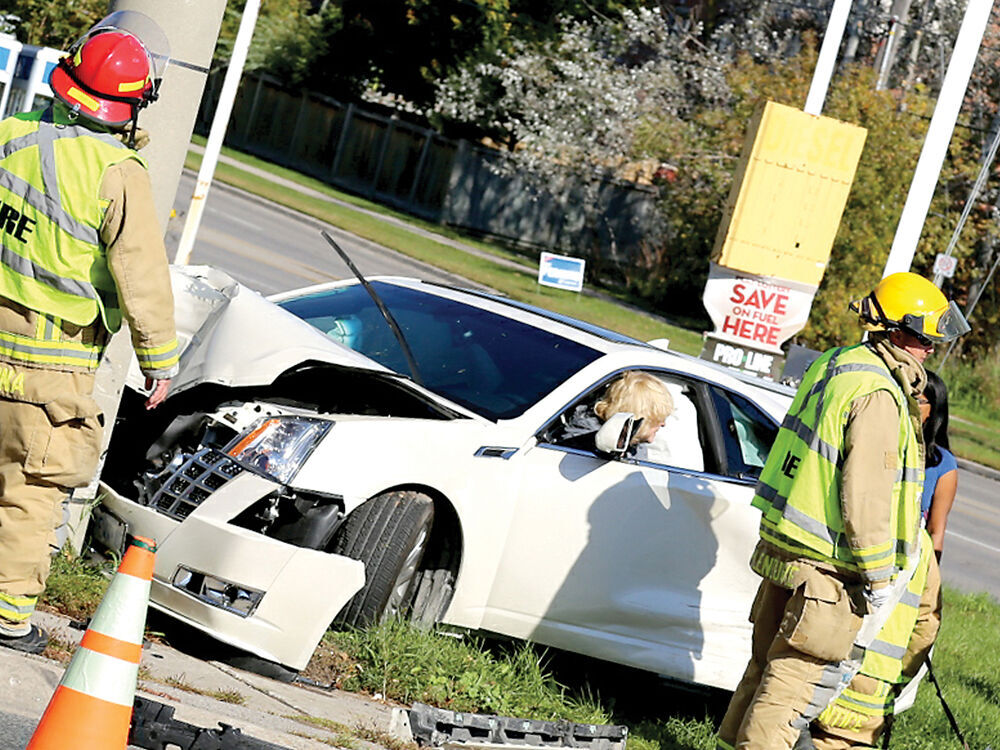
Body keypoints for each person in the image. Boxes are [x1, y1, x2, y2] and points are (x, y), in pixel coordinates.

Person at [715, 272, 969, 750]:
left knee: (764, 672)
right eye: (923, 336)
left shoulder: (839, 364)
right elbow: (866, 493)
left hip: (788, 551)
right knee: (792, 688)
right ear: (895, 331)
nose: (931, 348)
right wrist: (877, 577)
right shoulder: (879, 393)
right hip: (830, 568)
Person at [0, 11, 180, 654]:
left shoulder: (11, 134)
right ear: (132, 105)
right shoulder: (119, 173)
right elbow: (141, 275)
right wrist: (160, 362)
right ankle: (7, 614)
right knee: (30, 492)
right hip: (51, 367)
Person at [561, 370, 674, 454]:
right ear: (638, 416)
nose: (663, 424)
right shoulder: (584, 446)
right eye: (659, 418)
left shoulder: (630, 444)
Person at [920, 370, 958, 560]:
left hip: (907, 562)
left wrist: (930, 580)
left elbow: (936, 530)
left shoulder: (942, 463)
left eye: (918, 401)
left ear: (933, 410)